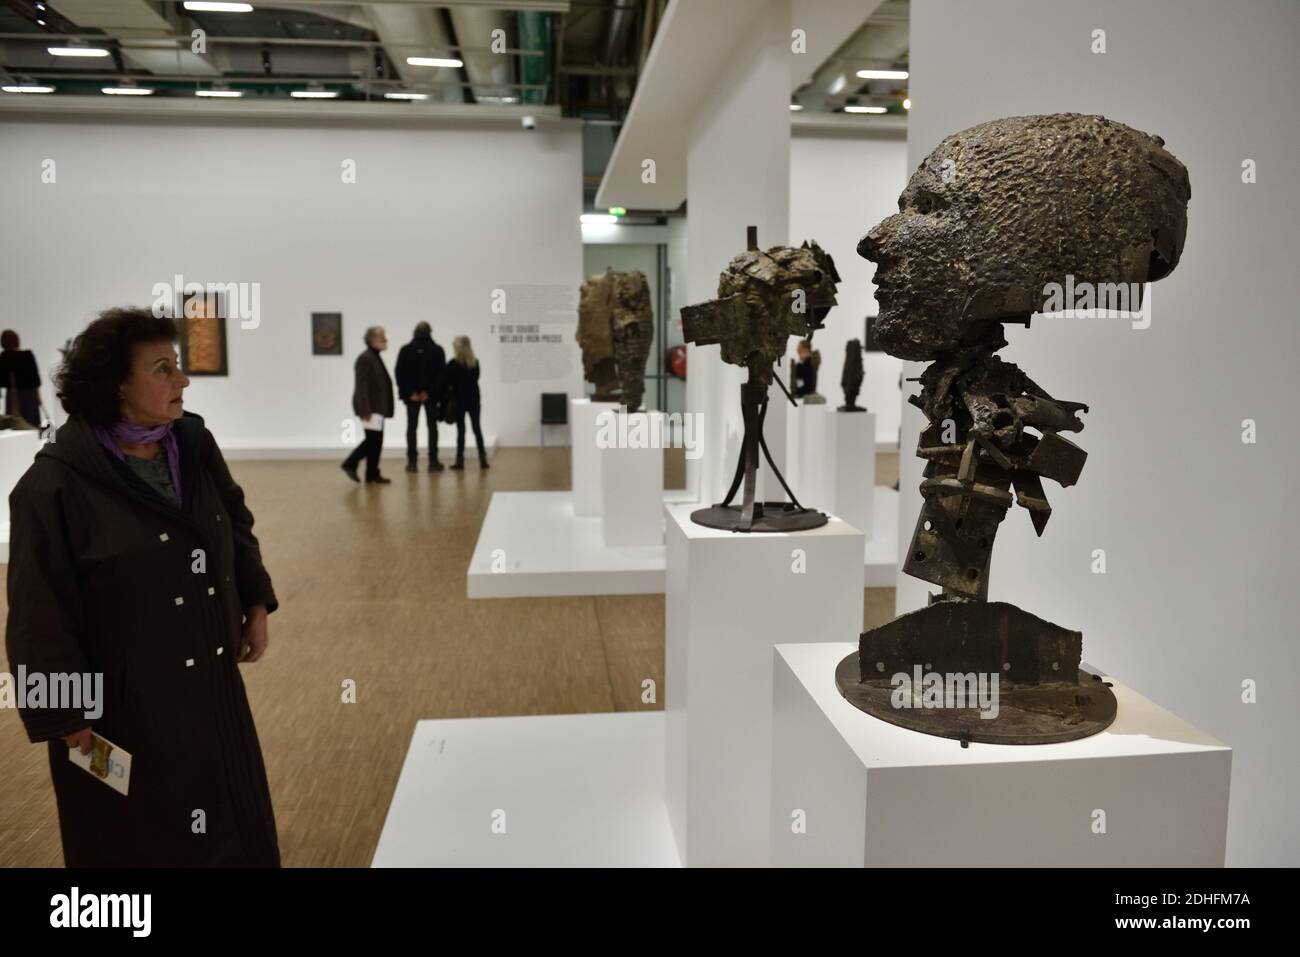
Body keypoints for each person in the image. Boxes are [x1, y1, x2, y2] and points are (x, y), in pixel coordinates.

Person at [4, 307, 280, 866]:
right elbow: (38, 612)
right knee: (138, 842)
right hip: (124, 712)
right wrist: (64, 714)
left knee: (229, 821)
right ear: (117, 387)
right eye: (162, 369)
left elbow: (234, 519)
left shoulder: (192, 445)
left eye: (177, 366)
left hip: (211, 686)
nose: (181, 380)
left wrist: (254, 599)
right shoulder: (54, 485)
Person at [341, 326, 394, 484]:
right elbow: (361, 386)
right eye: (382, 337)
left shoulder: (374, 356)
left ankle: (372, 473)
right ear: (372, 340)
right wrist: (365, 409)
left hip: (377, 408)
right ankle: (350, 463)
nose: (386, 340)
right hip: (370, 408)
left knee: (376, 442)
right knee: (373, 441)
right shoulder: (365, 358)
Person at [394, 321, 446, 473]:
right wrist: (429, 392)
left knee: (411, 427)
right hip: (430, 396)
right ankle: (433, 461)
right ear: (430, 332)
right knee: (432, 428)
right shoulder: (437, 350)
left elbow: (399, 373)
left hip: (412, 397)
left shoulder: (405, 350)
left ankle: (412, 462)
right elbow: (441, 375)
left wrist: (410, 392)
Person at [444, 335, 488, 470]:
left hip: (459, 400)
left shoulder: (452, 364)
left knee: (461, 431)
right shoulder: (475, 363)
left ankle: (460, 461)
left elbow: (448, 382)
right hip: (474, 399)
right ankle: (483, 460)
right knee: (477, 429)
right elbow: (475, 379)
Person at [0, 329, 43, 427]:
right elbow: (35, 378)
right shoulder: (28, 355)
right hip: (30, 394)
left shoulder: (4, 357)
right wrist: (38, 395)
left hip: (13, 395)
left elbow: (2, 380)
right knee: (32, 422)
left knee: (15, 425)